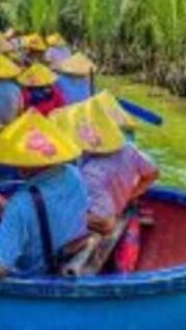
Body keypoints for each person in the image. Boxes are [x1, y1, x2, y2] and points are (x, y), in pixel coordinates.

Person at [0, 109, 89, 277]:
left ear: (23, 165)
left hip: (36, 274)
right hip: (66, 256)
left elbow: (0, 265)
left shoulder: (21, 204)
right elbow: (51, 214)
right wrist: (7, 207)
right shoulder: (74, 173)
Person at [50, 96, 159, 234]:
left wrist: (66, 216)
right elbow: (153, 173)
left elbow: (106, 223)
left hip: (101, 222)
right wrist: (131, 195)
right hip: (116, 204)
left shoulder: (91, 174)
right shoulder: (129, 149)